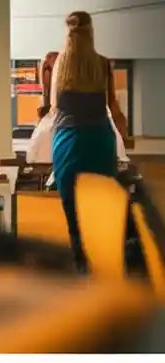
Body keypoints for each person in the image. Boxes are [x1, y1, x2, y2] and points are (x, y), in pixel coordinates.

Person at [50, 11, 131, 271]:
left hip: (68, 141)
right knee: (100, 208)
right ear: (91, 31)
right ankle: (104, 268)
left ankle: (80, 267)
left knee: (73, 212)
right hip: (99, 140)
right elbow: (113, 108)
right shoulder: (103, 64)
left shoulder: (60, 64)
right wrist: (124, 138)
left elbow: (53, 107)